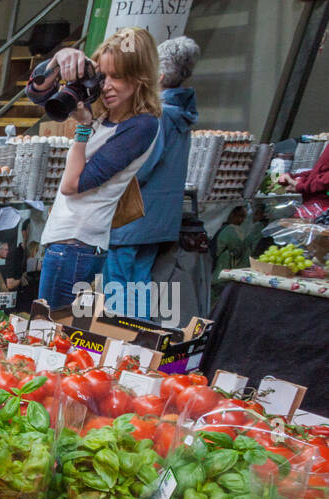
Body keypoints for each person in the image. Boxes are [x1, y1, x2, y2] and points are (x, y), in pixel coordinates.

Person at [30, 28, 162, 310]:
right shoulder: (106, 112)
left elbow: (72, 185)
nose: (107, 86)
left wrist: (82, 127)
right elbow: (37, 92)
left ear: (141, 79)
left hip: (76, 245)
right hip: (71, 244)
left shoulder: (141, 125)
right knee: (56, 333)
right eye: (103, 75)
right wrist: (58, 62)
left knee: (50, 333)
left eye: (118, 76)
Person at [103, 36, 200, 320]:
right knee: (140, 285)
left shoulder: (155, 116)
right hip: (158, 219)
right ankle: (139, 346)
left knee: (119, 287)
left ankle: (121, 345)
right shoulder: (181, 115)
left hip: (132, 218)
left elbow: (139, 168)